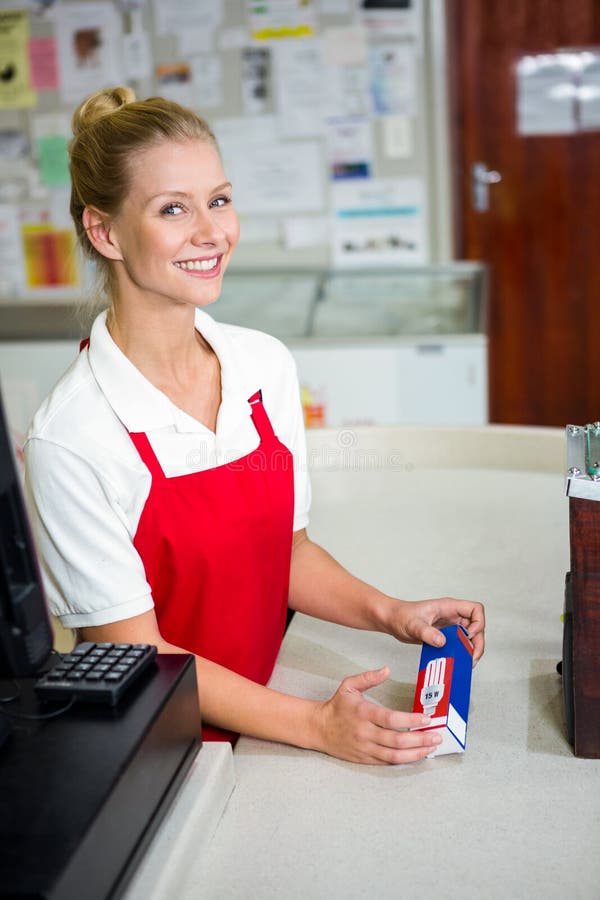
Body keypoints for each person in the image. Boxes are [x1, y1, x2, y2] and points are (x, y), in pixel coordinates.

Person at [24, 86, 485, 765]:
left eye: (218, 199)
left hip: (273, 712)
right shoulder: (73, 437)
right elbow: (143, 656)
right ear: (105, 232)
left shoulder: (262, 366)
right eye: (172, 209)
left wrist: (391, 613)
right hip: (163, 754)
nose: (212, 232)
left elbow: (285, 553)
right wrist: (318, 726)